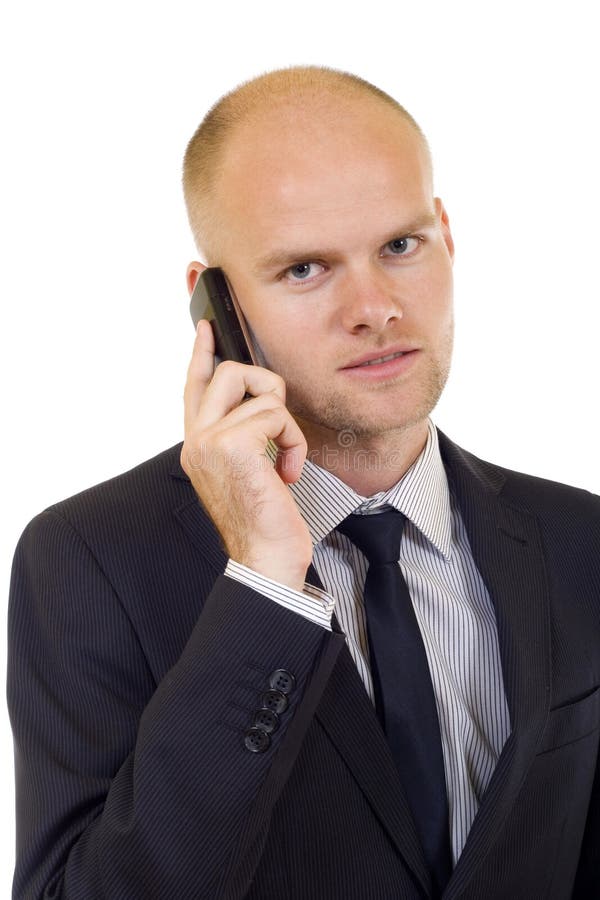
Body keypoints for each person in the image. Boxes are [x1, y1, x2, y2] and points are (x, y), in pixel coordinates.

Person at [7, 65, 599, 900]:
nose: (375, 308)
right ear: (216, 309)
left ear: (446, 236)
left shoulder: (580, 540)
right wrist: (263, 588)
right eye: (305, 269)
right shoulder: (88, 560)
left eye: (400, 246)